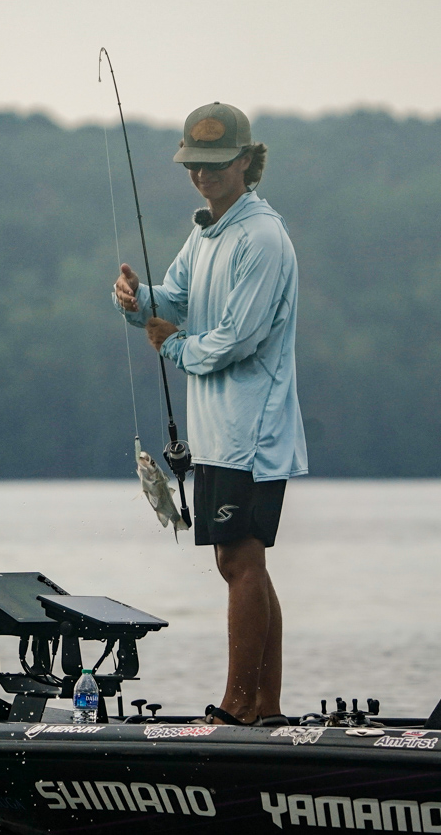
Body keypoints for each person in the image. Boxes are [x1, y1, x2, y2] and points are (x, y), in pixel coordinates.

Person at [112, 102, 306, 726]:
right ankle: (264, 707)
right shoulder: (207, 232)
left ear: (248, 162)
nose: (203, 176)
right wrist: (137, 301)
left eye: (217, 164)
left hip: (252, 429)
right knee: (239, 561)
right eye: (194, 164)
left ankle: (240, 705)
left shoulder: (263, 237)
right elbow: (173, 298)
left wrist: (171, 343)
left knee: (239, 560)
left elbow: (237, 338)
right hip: (219, 429)